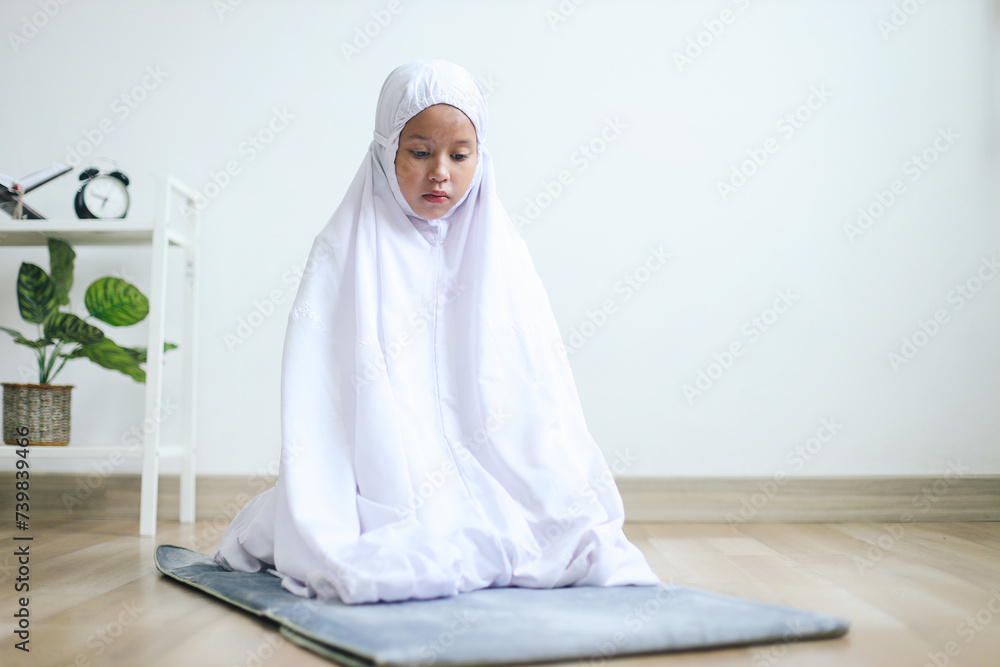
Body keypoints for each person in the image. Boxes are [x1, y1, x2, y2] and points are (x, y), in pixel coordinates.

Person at [213, 59, 659, 604]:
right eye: (419, 152)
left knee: (557, 526)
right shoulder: (345, 250)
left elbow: (535, 382)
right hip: (391, 462)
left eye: (459, 154)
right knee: (374, 535)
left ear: (481, 155)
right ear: (386, 152)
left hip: (485, 454)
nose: (440, 172)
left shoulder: (502, 254)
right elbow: (322, 390)